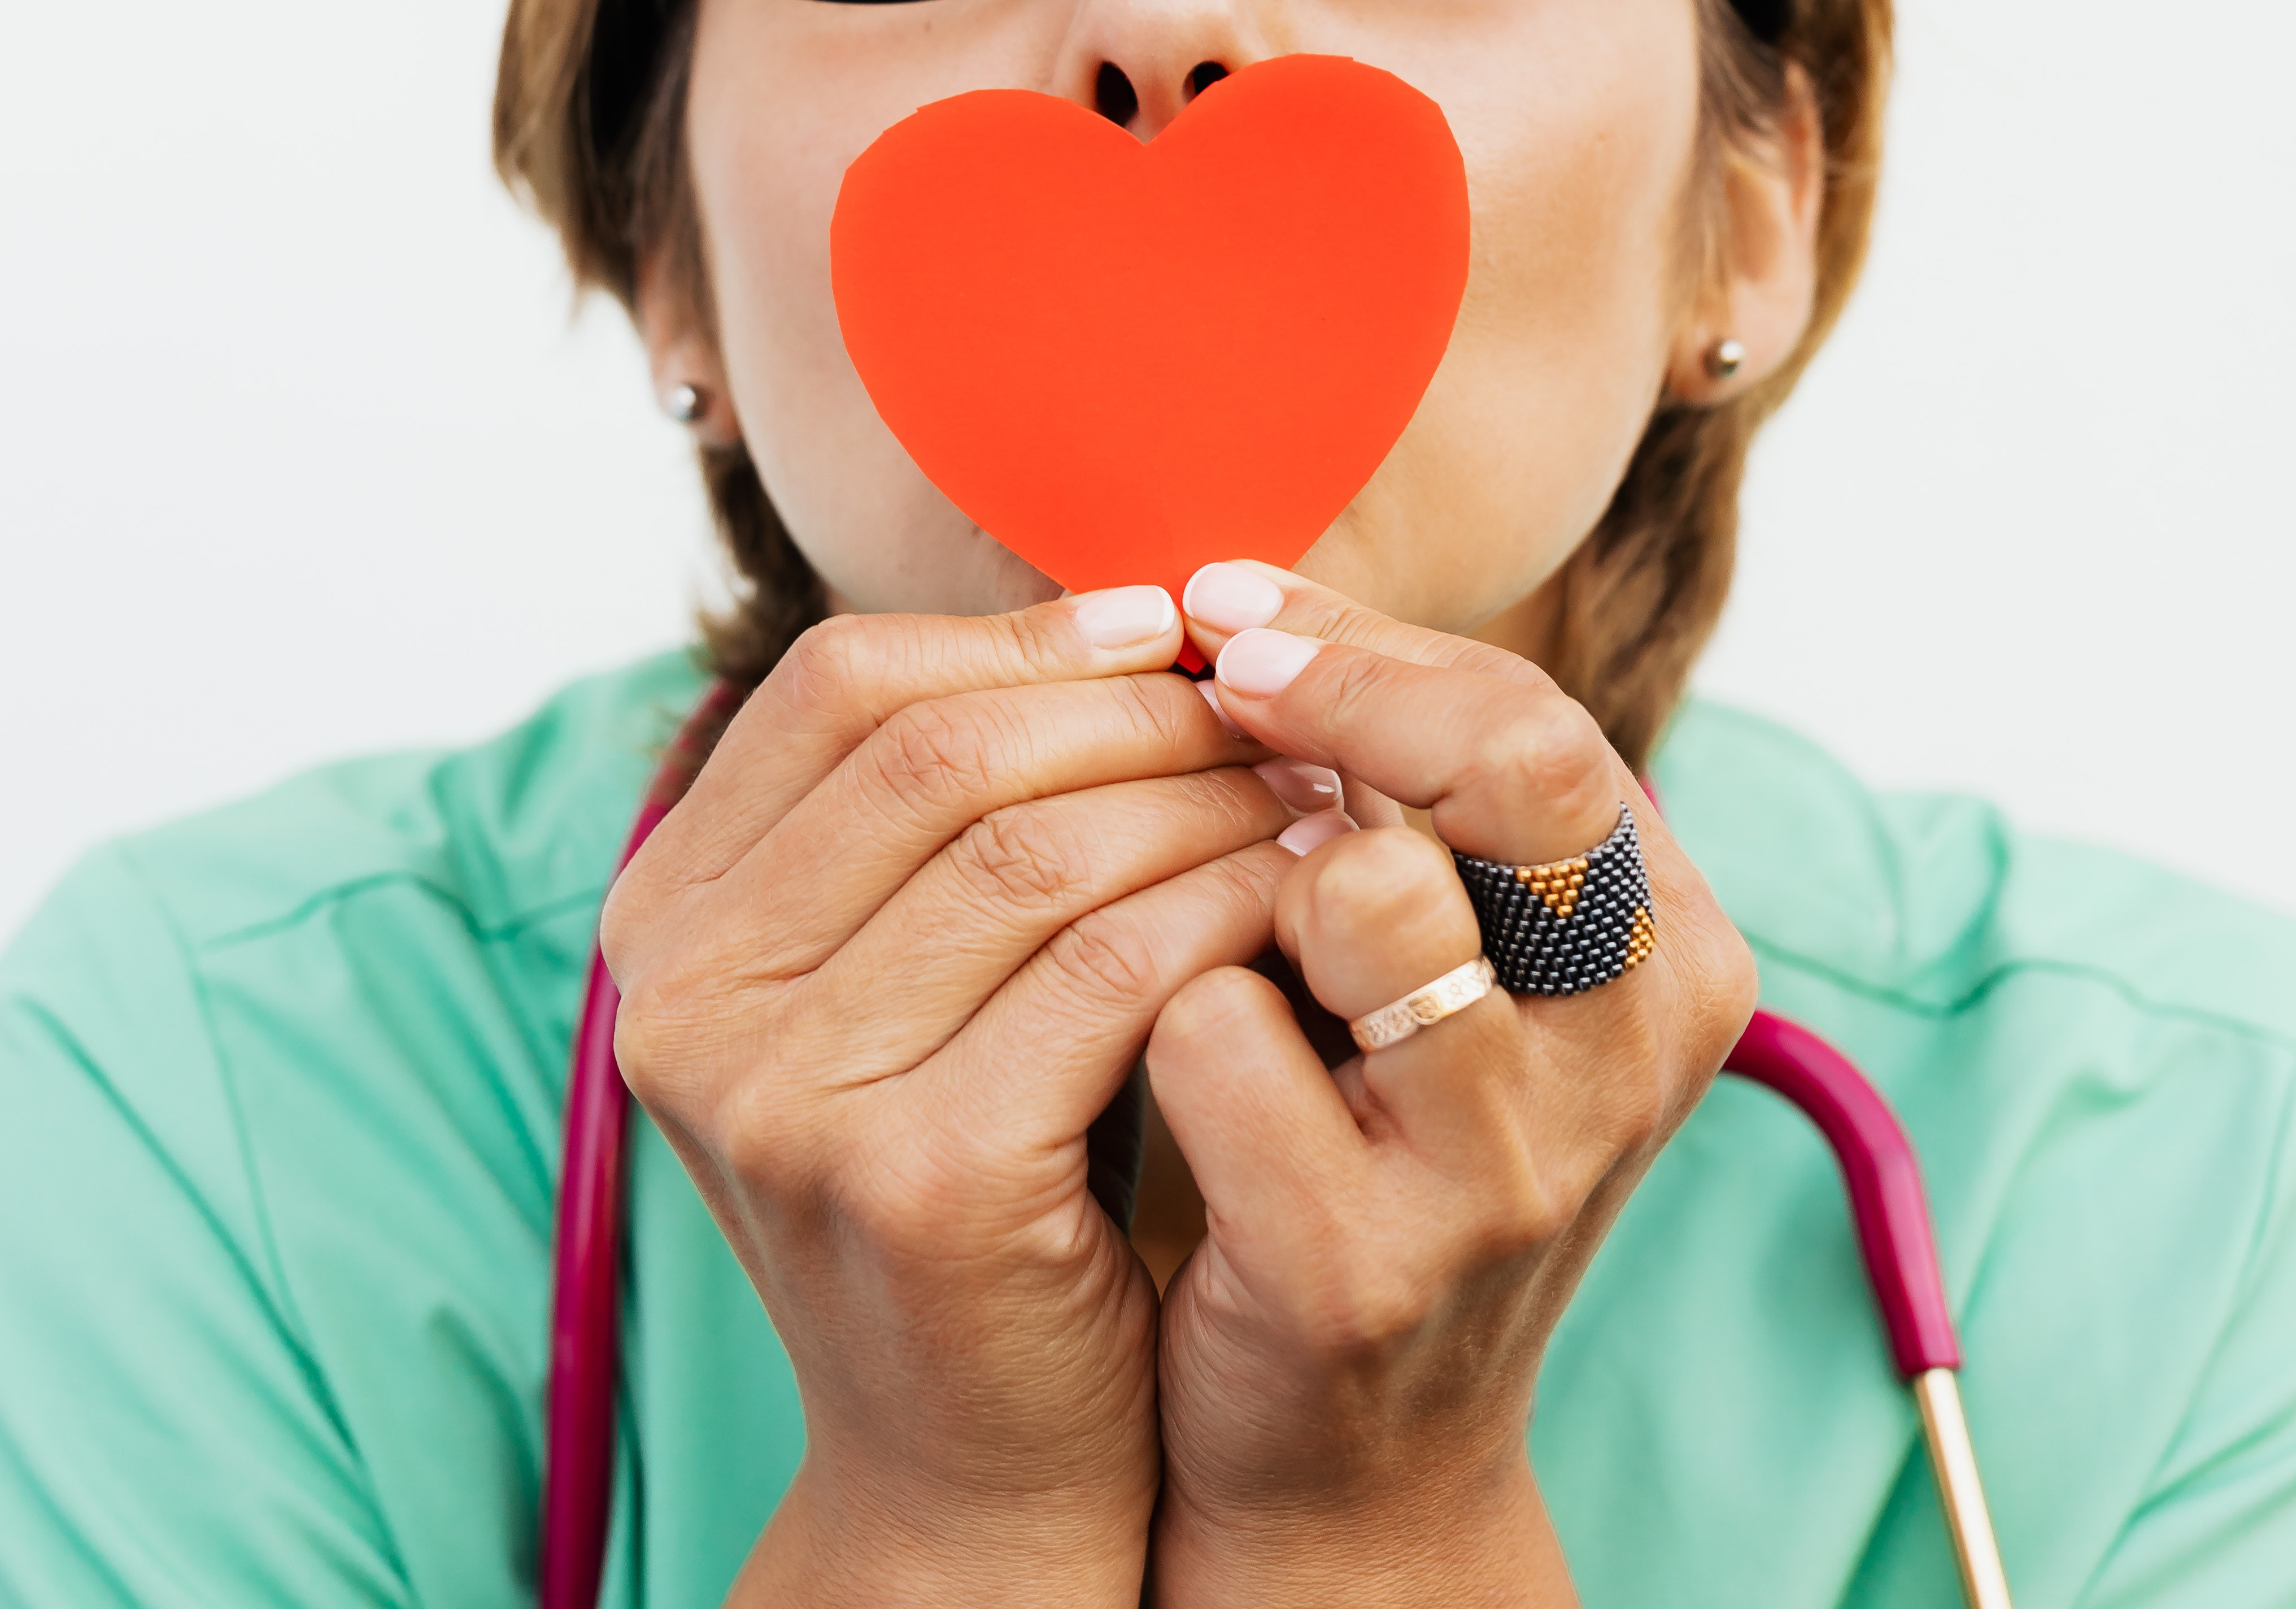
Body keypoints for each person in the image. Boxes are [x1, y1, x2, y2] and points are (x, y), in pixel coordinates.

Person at [2, 1, 2291, 1604]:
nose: (1165, 33)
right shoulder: (179, 1096)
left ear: (1758, 203)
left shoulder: (2206, 1174)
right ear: (664, 245)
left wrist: (1375, 1528)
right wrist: (938, 1515)